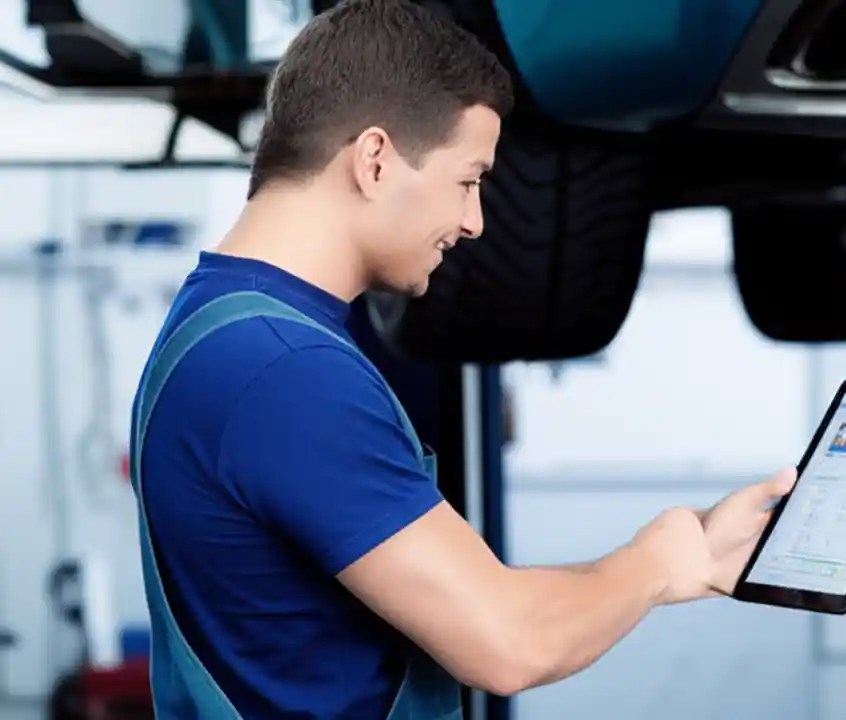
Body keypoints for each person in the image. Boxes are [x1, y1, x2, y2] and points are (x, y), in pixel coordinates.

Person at [127, 1, 795, 717]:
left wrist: (680, 554)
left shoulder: (223, 327)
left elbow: (475, 604)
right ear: (375, 160)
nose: (476, 222)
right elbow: (509, 643)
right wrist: (653, 565)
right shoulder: (284, 372)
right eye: (469, 179)